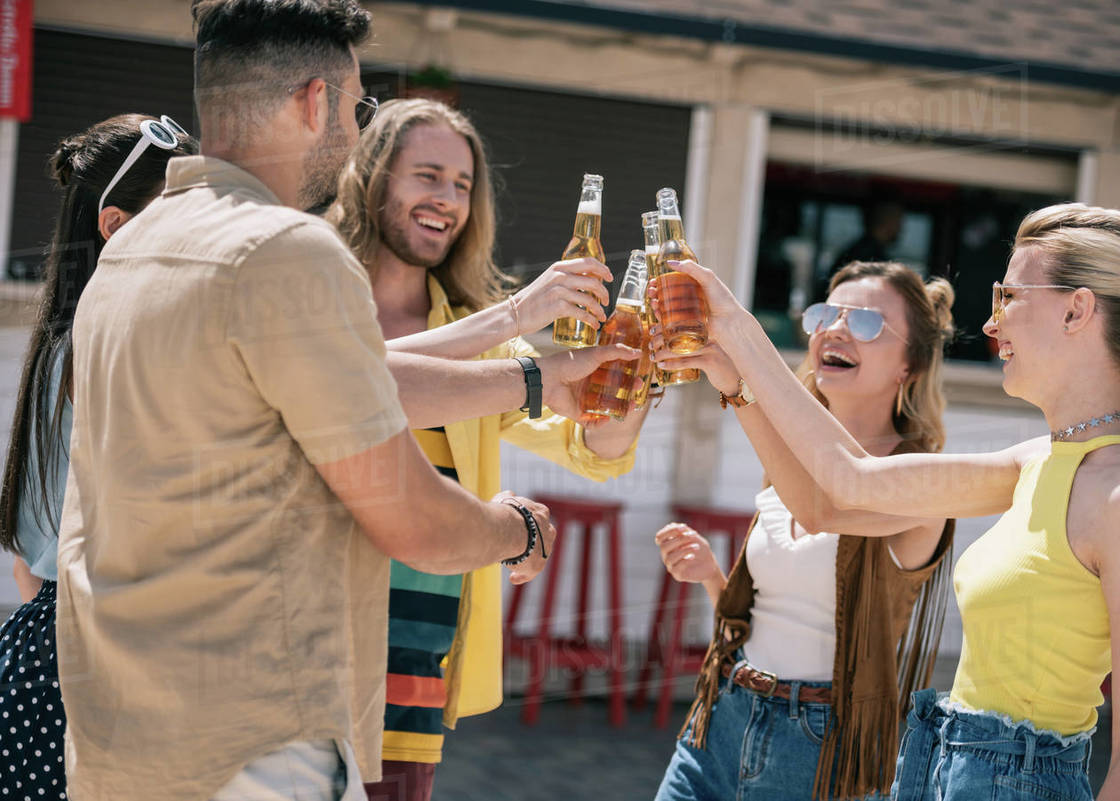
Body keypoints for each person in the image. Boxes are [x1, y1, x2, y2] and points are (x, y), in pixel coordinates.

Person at [54, 3, 632, 799]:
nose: (358, 132)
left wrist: (531, 376)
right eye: (358, 107)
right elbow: (409, 515)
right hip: (253, 742)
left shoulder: (130, 251)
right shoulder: (289, 252)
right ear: (313, 102)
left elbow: (368, 380)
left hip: (118, 736)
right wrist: (516, 528)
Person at [653, 202, 1120, 801]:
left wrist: (735, 324)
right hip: (937, 767)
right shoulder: (1036, 461)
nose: (991, 325)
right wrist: (732, 355)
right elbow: (846, 484)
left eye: (1008, 296)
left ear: (1076, 310)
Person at [326, 98, 649, 801]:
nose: (447, 199)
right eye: (428, 175)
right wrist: (520, 315)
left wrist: (627, 385)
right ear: (374, 178)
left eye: (463, 184)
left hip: (413, 679)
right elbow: (349, 379)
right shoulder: (317, 301)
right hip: (304, 665)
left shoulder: (481, 337)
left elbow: (591, 447)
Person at [650, 261, 956, 801]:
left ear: (909, 364)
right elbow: (763, 620)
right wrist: (713, 578)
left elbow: (823, 509)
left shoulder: (923, 481)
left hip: (819, 750)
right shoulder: (786, 459)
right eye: (825, 314)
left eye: (864, 322)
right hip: (721, 718)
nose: (835, 329)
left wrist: (739, 384)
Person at [0, 112, 198, 801]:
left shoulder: (65, 344)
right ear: (115, 225)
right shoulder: (122, 347)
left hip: (42, 658)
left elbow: (29, 557)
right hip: (98, 678)